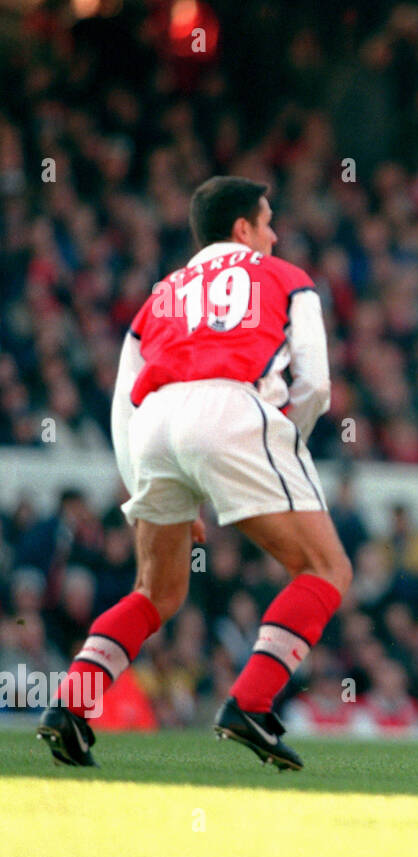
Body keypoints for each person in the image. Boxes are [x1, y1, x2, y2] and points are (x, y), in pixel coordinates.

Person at [36, 176, 351, 771]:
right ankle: (250, 703)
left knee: (157, 590)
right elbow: (315, 385)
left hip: (154, 425)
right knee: (326, 567)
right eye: (268, 221)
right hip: (233, 409)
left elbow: (123, 402)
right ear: (243, 229)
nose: (275, 234)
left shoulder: (158, 295)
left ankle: (69, 707)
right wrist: (285, 451)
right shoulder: (287, 277)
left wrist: (147, 486)